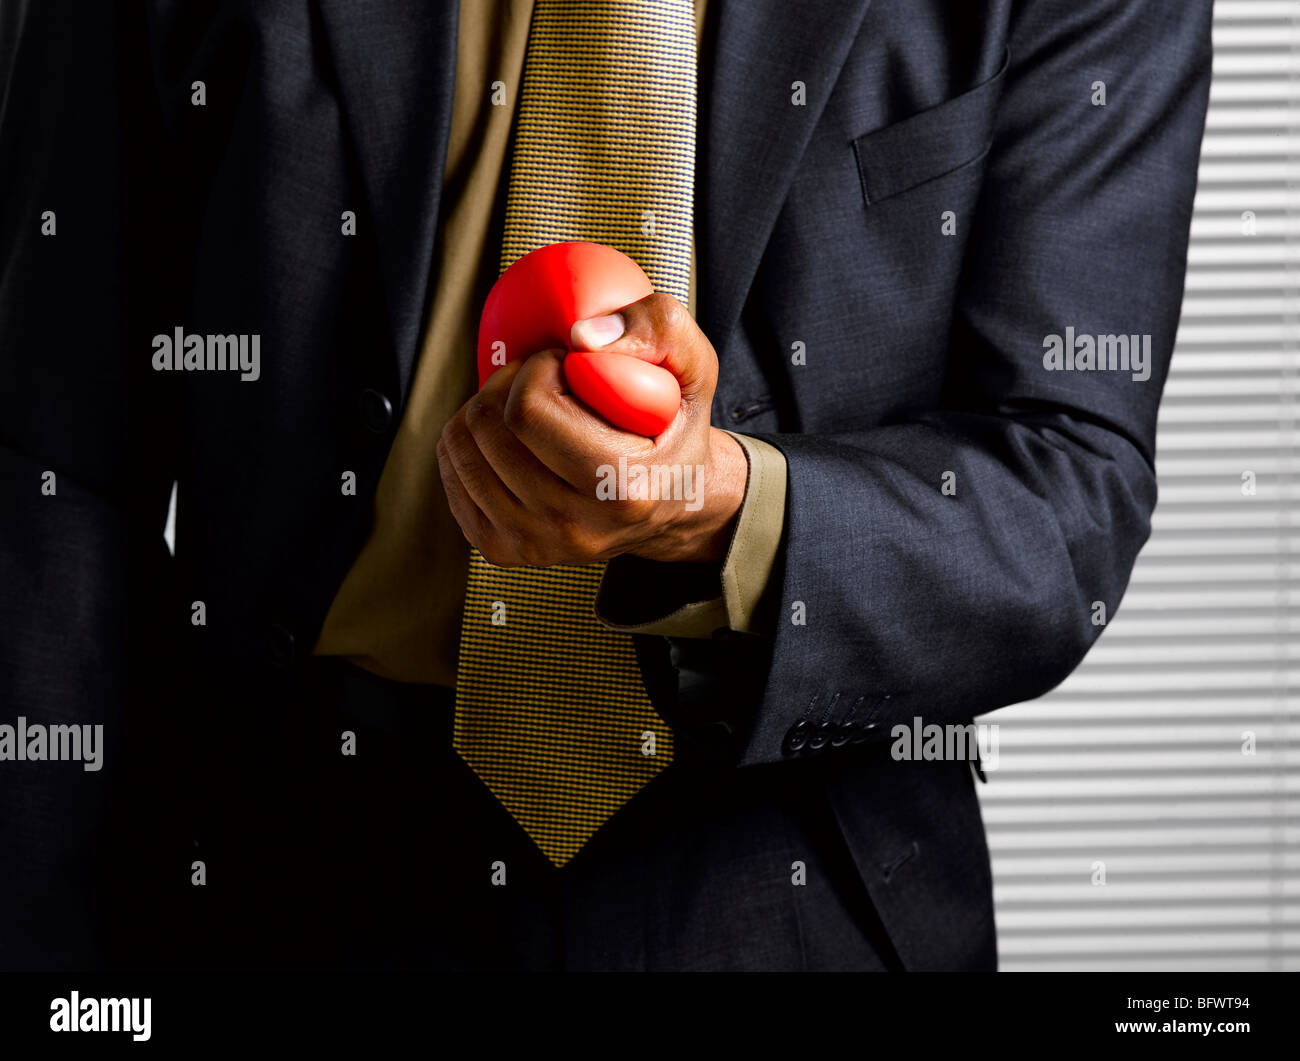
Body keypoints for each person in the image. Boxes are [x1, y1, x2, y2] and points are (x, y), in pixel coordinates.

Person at [0, 0, 1212, 971]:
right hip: (285, 870)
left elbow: (1066, 494)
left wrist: (717, 510)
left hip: (790, 884)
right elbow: (50, 468)